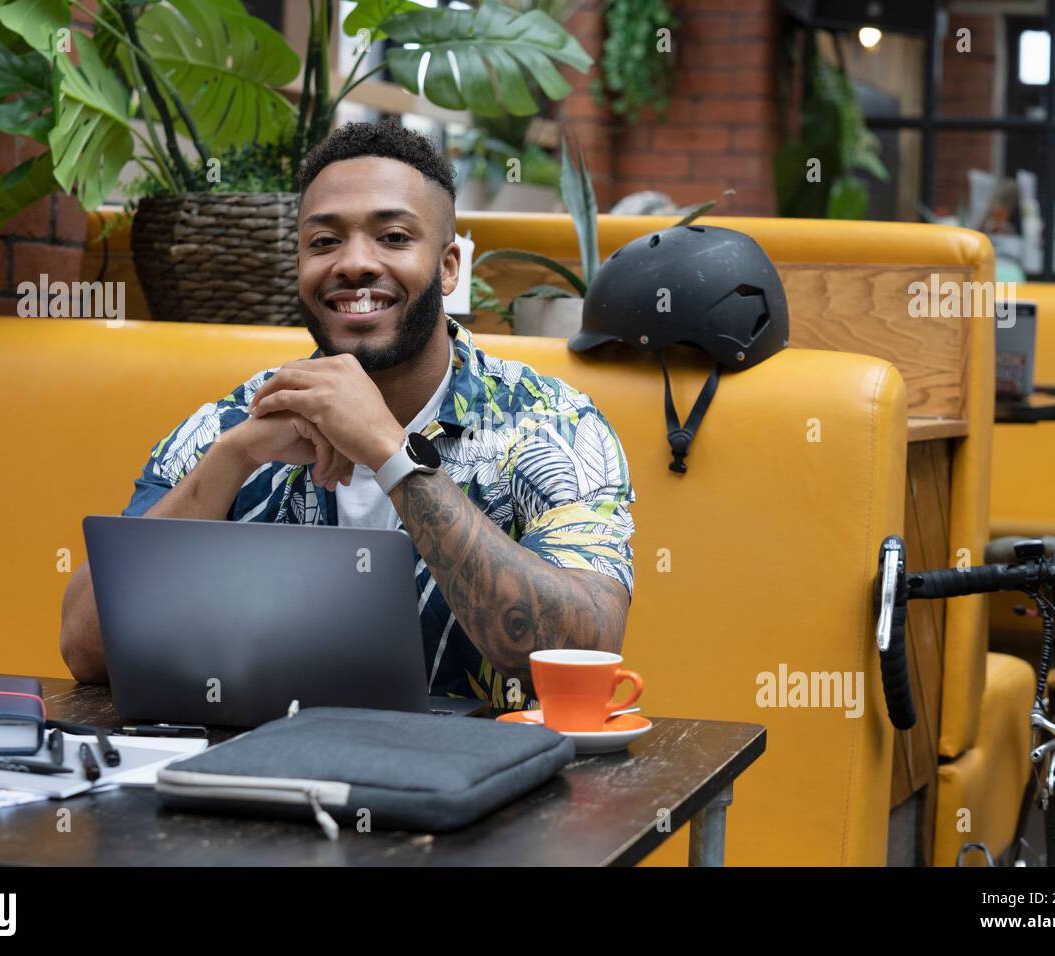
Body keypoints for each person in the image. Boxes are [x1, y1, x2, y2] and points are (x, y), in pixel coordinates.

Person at [60, 120, 636, 710]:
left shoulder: (551, 426)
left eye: (392, 237)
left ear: (449, 268)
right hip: (260, 780)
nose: (354, 264)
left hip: (489, 788)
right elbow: (85, 648)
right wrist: (234, 459)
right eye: (324, 241)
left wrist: (393, 454)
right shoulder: (231, 423)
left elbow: (586, 644)